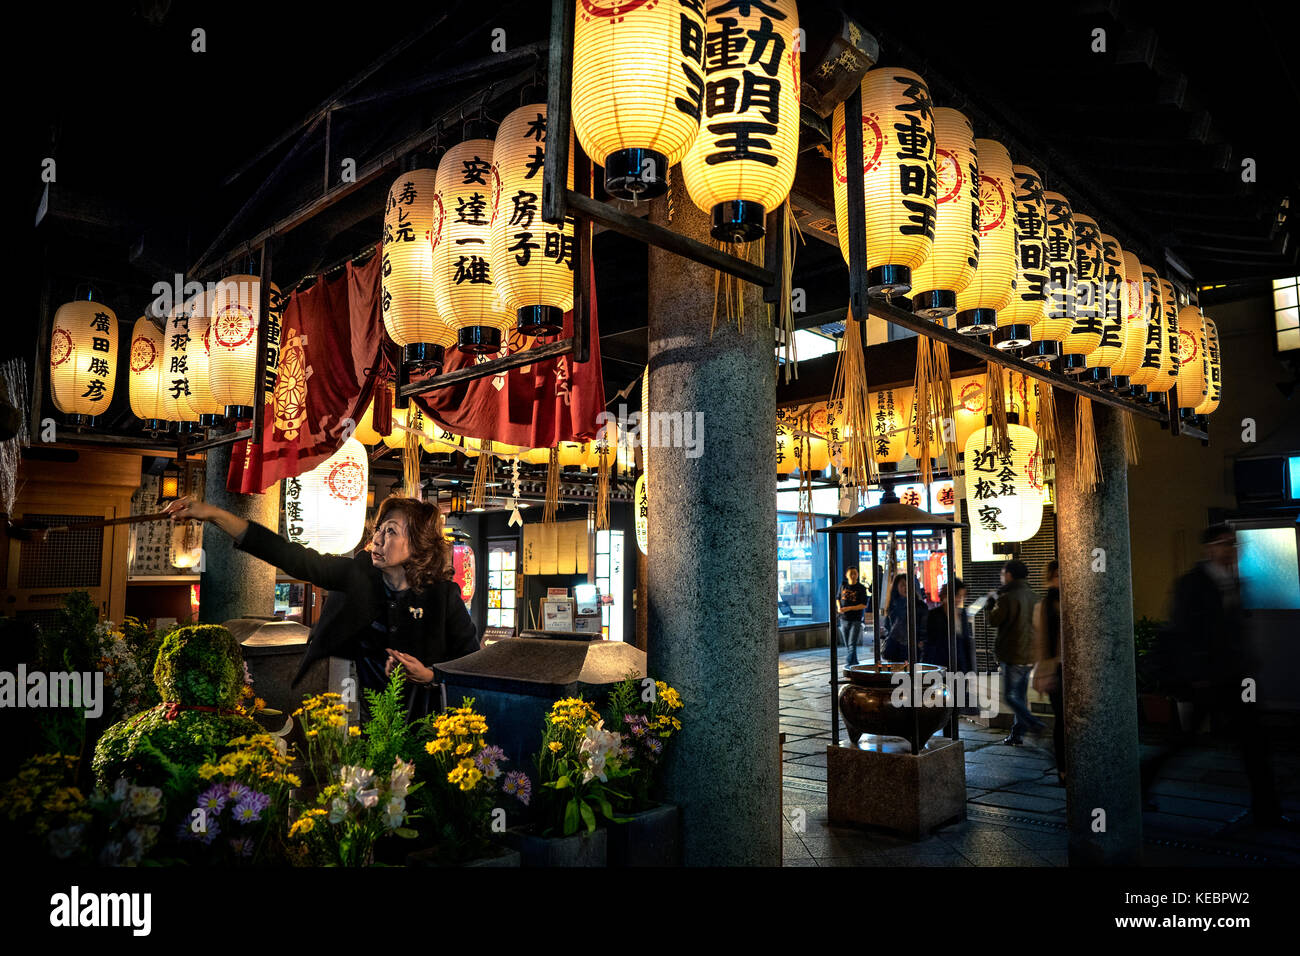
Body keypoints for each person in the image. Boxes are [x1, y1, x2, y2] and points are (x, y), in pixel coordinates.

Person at [164, 494, 480, 721]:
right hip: (367, 723)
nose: (378, 539)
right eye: (379, 529)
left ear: (418, 546)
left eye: (391, 532)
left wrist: (428, 674)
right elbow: (292, 557)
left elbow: (474, 668)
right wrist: (213, 514)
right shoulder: (360, 575)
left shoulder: (444, 597)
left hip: (432, 726)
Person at [1142, 524, 1289, 826]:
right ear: (1209, 548)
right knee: (1185, 740)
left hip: (1235, 676)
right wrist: (1196, 673)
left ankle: (1267, 811)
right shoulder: (1192, 583)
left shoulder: (1235, 581)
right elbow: (1183, 630)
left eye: (1234, 544)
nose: (1231, 550)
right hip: (1206, 679)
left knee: (1253, 743)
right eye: (1224, 544)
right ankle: (1140, 782)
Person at [987, 558, 1045, 746]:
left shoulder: (1007, 598)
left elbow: (994, 621)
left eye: (1003, 574)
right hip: (1030, 656)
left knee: (1010, 696)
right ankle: (1017, 734)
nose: (1002, 577)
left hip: (1013, 655)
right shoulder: (1035, 597)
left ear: (1010, 575)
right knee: (1020, 696)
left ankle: (1034, 723)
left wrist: (990, 604)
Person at [1033, 560, 1064, 782]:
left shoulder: (1072, 599)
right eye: (1056, 575)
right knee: (1062, 718)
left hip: (1071, 667)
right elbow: (1041, 643)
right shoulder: (1045, 606)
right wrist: (1042, 672)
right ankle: (1063, 766)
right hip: (1056, 667)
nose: (1059, 579)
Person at [881, 572, 927, 663]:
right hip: (895, 647)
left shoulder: (920, 605)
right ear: (896, 587)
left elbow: (924, 626)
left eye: (908, 585)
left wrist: (921, 641)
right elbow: (888, 626)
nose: (906, 588)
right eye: (902, 585)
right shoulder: (893, 605)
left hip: (913, 646)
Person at [836, 567, 870, 666]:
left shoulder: (861, 588)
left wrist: (849, 608)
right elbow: (837, 598)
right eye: (851, 573)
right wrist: (839, 608)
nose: (853, 575)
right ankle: (854, 662)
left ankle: (848, 663)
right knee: (847, 643)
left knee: (851, 643)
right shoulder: (843, 585)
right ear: (846, 575)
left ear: (858, 575)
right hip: (843, 618)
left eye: (855, 573)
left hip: (856, 619)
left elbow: (864, 605)